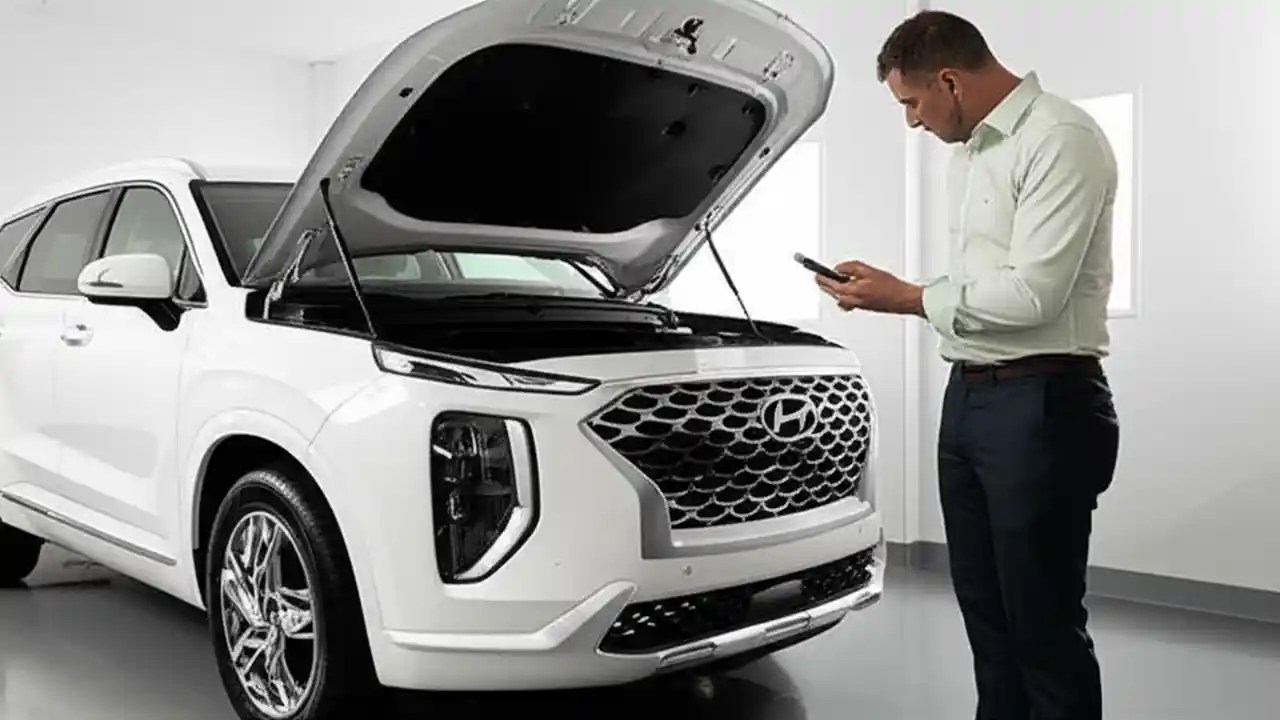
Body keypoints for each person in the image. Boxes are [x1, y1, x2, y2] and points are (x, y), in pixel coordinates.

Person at [815, 10, 1121, 720]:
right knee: (987, 617)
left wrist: (909, 297)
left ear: (949, 81)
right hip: (973, 399)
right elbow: (982, 289)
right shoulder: (973, 155)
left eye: (911, 103)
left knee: (1041, 622)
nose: (912, 122)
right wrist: (904, 290)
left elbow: (1033, 295)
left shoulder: (1060, 138)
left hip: (1043, 404)